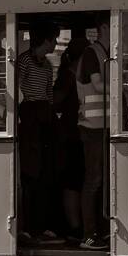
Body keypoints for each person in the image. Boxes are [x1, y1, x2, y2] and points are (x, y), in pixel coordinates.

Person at [16, 22, 59, 243]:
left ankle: (41, 224)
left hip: (42, 116)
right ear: (46, 40)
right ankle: (30, 225)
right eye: (54, 39)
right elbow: (17, 87)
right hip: (30, 115)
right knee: (31, 170)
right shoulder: (24, 61)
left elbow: (48, 93)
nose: (56, 43)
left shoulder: (48, 66)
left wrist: (50, 116)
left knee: (44, 170)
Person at [76, 18, 111, 250]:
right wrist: (124, 87)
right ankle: (88, 236)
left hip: (104, 127)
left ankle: (102, 230)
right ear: (105, 28)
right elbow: (98, 86)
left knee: (104, 179)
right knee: (94, 180)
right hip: (91, 127)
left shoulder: (105, 53)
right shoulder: (92, 54)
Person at [54, 34, 86, 243]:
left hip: (76, 132)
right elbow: (56, 100)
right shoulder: (70, 75)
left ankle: (76, 227)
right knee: (73, 182)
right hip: (72, 134)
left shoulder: (70, 73)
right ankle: (75, 228)